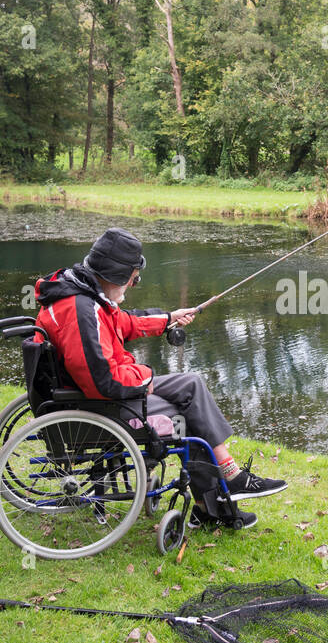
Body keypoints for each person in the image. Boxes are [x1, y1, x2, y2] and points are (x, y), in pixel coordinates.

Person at [33, 226, 286, 529]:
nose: (134, 285)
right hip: (101, 405)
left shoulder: (82, 293)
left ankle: (227, 482)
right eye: (133, 278)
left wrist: (169, 318)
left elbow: (122, 323)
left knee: (190, 383)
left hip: (90, 397)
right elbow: (104, 381)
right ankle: (215, 502)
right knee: (186, 415)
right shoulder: (82, 310)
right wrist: (144, 377)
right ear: (118, 275)